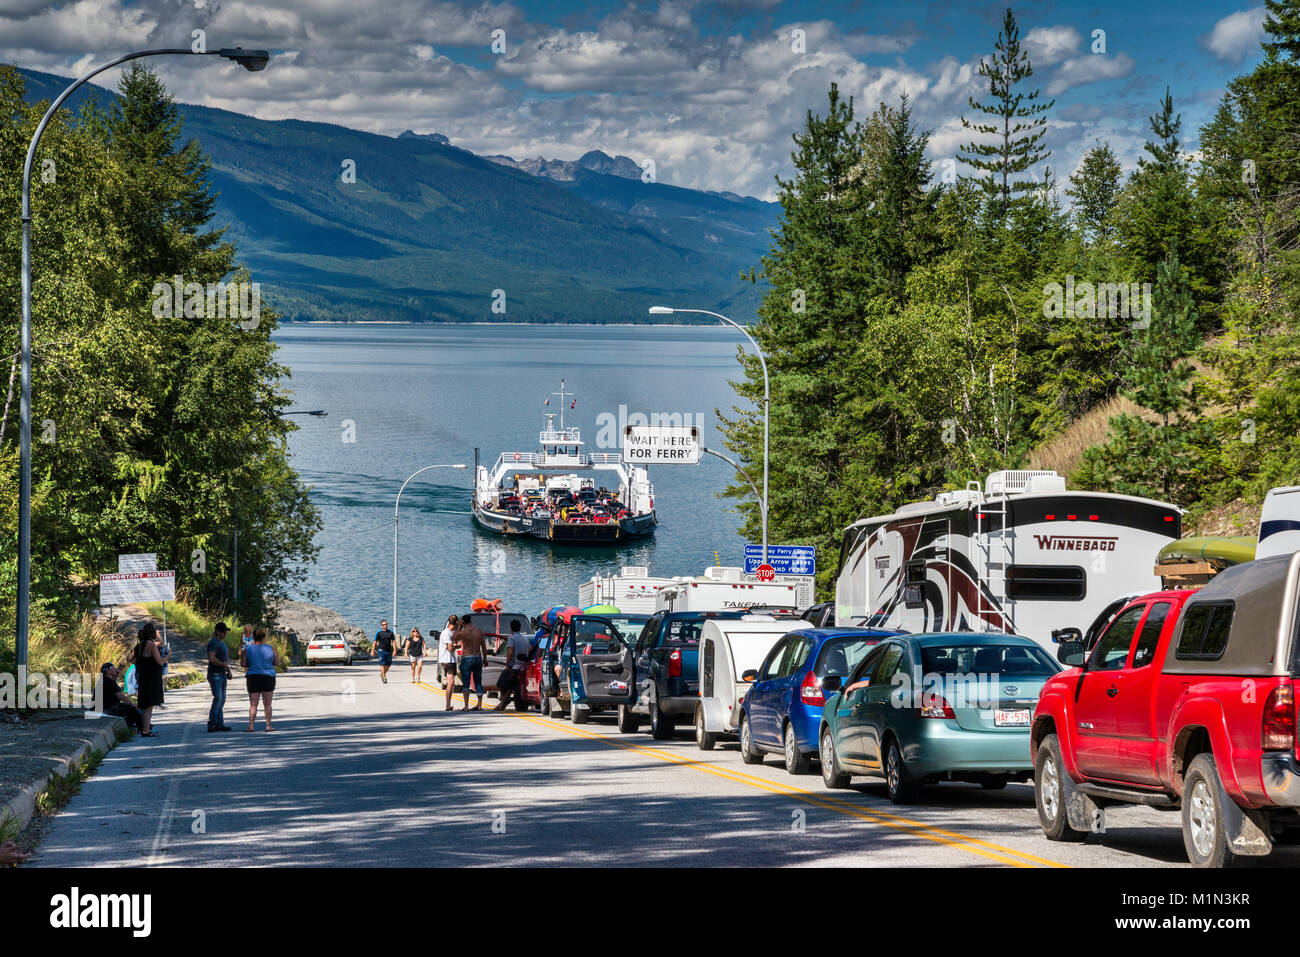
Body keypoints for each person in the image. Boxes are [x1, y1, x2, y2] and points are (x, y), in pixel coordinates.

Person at [131, 623, 169, 737]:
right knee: (149, 704)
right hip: (152, 678)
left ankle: (144, 727)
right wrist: (168, 656)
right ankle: (146, 730)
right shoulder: (151, 644)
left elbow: (130, 658)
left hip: (142, 676)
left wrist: (140, 664)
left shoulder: (139, 645)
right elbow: (160, 661)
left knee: (144, 703)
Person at [240, 628, 278, 731]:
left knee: (253, 704)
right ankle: (268, 726)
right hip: (268, 677)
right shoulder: (272, 649)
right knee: (268, 704)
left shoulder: (248, 649)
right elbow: (276, 663)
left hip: (253, 677)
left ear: (253, 637)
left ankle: (251, 726)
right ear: (264, 637)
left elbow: (243, 663)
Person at [494, 619, 532, 712]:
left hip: (514, 666)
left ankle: (504, 702)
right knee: (511, 685)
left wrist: (507, 665)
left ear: (511, 628)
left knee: (501, 684)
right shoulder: (525, 638)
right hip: (523, 666)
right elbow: (530, 649)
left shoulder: (512, 638)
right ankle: (503, 703)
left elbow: (510, 653)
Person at [95, 662, 143, 731]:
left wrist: (117, 672)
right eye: (113, 668)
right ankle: (142, 728)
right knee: (131, 708)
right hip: (107, 709)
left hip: (103, 707)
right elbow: (121, 697)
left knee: (128, 707)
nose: (115, 669)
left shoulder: (105, 680)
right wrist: (132, 704)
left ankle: (133, 727)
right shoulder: (109, 682)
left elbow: (113, 681)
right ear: (107, 671)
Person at [455, 615, 488, 711]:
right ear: (471, 621)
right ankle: (480, 705)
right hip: (478, 658)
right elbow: (484, 647)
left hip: (467, 658)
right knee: (478, 682)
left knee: (466, 683)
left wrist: (460, 627)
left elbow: (454, 639)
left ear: (463, 622)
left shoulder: (463, 632)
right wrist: (485, 659)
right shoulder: (479, 632)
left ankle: (466, 706)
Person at [207, 622, 233, 732]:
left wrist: (228, 670)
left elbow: (225, 661)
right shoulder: (213, 643)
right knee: (218, 699)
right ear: (217, 631)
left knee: (222, 700)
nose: (225, 633)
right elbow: (211, 658)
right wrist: (223, 665)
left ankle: (219, 723)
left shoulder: (222, 643)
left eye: (225, 631)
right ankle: (212, 723)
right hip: (215, 674)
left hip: (222, 674)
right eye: (222, 631)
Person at [438, 615, 459, 710]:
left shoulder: (451, 632)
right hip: (447, 659)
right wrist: (457, 645)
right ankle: (448, 705)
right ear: (456, 622)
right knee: (451, 681)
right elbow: (450, 648)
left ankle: (448, 705)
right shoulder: (446, 633)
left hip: (450, 659)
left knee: (451, 682)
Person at [374, 619, 397, 684]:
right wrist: (372, 650)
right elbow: (375, 642)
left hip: (389, 651)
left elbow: (394, 642)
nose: (385, 625)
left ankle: (382, 673)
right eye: (384, 625)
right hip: (381, 651)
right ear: (381, 626)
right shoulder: (378, 633)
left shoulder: (391, 632)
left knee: (388, 665)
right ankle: (384, 677)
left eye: (386, 624)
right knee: (382, 664)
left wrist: (395, 650)